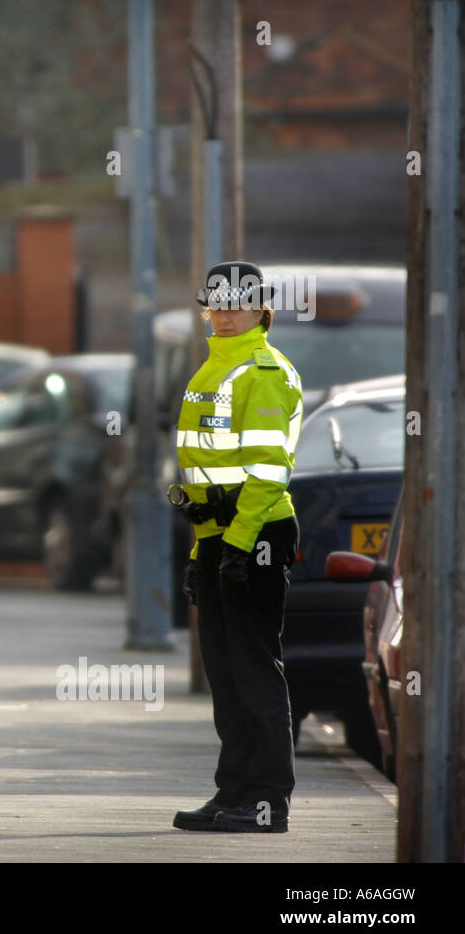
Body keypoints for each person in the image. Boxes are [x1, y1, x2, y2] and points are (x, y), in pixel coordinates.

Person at [169, 260, 303, 834]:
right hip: (218, 535)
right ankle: (233, 794)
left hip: (258, 534)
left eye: (236, 305)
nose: (224, 314)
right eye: (216, 305)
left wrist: (240, 547)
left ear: (260, 310)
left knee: (254, 671)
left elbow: (269, 470)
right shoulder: (211, 368)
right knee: (226, 677)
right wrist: (205, 551)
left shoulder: (263, 370)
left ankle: (266, 802)